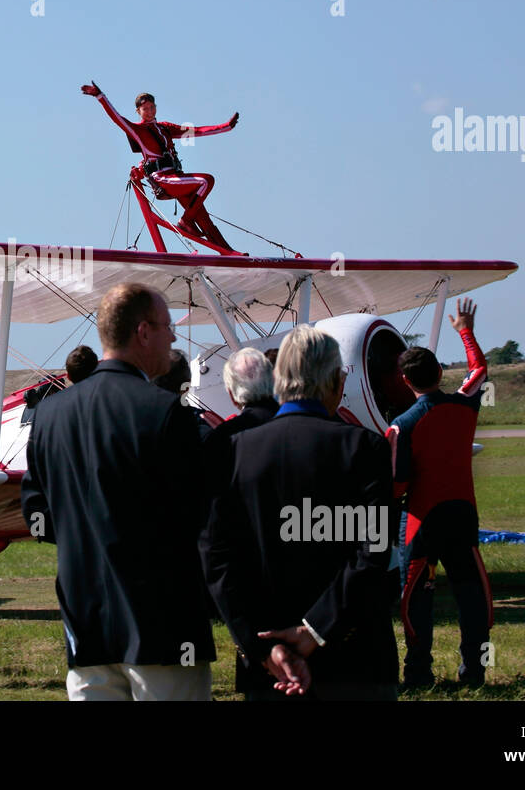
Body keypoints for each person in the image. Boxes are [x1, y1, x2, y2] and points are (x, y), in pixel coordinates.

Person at [22, 283, 216, 700]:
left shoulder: (49, 415)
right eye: (168, 326)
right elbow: (201, 517)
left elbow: (35, 513)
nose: (175, 337)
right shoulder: (170, 414)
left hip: (85, 625)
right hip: (163, 628)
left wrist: (83, 537)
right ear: (143, 332)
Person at [201, 326, 397, 700]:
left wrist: (260, 645)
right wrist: (315, 629)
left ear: (277, 381)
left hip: (269, 663)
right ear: (337, 383)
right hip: (355, 657)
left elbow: (216, 560)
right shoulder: (363, 449)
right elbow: (373, 553)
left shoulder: (232, 452)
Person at [388, 298, 493, 687]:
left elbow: (397, 483)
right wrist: (465, 330)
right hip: (463, 514)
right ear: (441, 372)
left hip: (420, 520)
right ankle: (474, 671)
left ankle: (418, 674)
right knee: (472, 593)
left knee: (416, 597)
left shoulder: (402, 424)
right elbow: (480, 370)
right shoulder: (465, 405)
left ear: (405, 381)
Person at [81, 81, 239, 251]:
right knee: (206, 181)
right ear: (138, 112)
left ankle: (229, 253)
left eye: (152, 107)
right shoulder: (138, 130)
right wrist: (100, 96)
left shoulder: (165, 127)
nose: (149, 111)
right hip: (164, 180)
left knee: (203, 216)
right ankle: (185, 222)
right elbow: (117, 118)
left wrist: (226, 127)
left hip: (177, 177)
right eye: (145, 109)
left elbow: (195, 131)